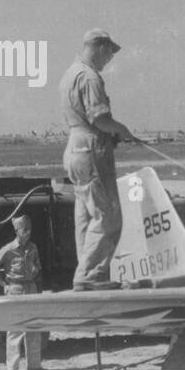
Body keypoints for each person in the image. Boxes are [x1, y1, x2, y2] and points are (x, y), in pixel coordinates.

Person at [58, 28, 139, 290]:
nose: (110, 59)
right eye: (110, 53)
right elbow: (99, 119)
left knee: (86, 216)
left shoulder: (69, 73)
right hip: (91, 149)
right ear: (101, 47)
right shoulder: (90, 77)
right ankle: (90, 275)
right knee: (108, 215)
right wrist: (123, 131)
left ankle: (88, 273)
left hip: (74, 148)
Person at [0, 214, 43, 370]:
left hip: (31, 288)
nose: (28, 232)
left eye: (30, 229)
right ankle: (11, 369)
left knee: (34, 327)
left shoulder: (33, 248)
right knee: (15, 329)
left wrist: (35, 269)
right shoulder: (8, 249)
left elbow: (38, 265)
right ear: (17, 231)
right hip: (15, 290)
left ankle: (34, 366)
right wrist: (4, 285)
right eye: (25, 230)